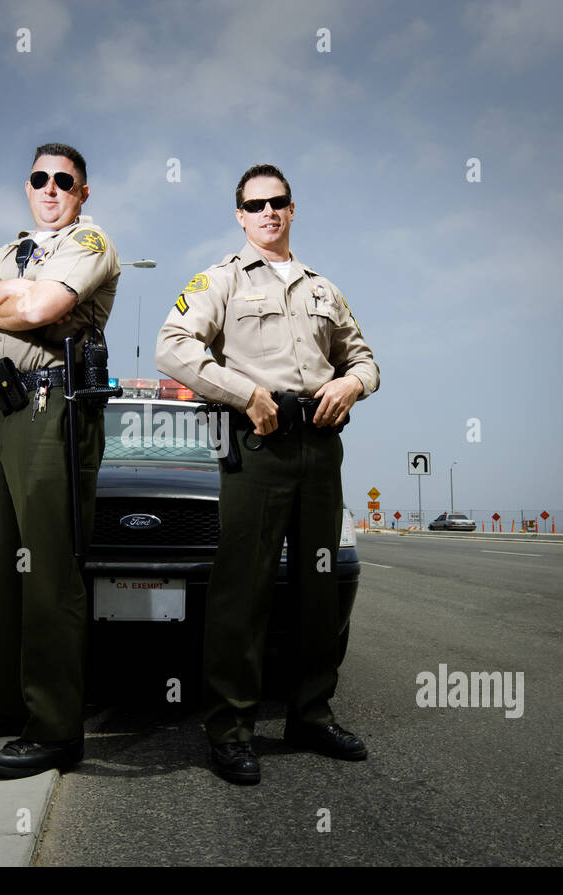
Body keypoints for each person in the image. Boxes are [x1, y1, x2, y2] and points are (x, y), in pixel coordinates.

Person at [155, 163, 379, 785]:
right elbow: (173, 344)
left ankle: (310, 715)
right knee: (242, 593)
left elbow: (364, 357)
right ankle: (229, 730)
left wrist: (351, 383)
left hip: (320, 447)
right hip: (259, 444)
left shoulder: (323, 288)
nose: (268, 213)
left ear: (292, 208)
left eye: (278, 202)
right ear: (240, 215)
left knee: (317, 590)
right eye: (256, 205)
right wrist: (243, 393)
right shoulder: (219, 279)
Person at [0, 143, 120, 778]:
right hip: (4, 411)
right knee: (3, 567)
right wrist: (14, 285)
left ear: (82, 192)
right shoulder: (15, 251)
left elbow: (44, 309)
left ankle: (55, 728)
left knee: (48, 571)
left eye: (63, 181)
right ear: (27, 185)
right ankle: (13, 705)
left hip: (54, 410)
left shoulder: (90, 243)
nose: (50, 189)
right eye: (40, 178)